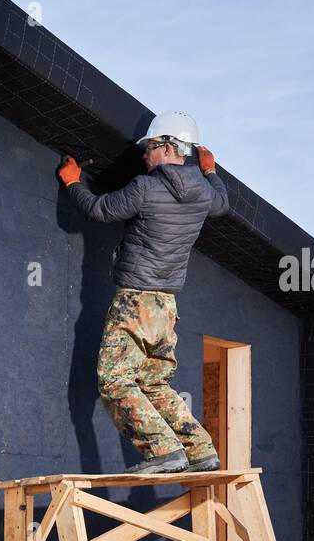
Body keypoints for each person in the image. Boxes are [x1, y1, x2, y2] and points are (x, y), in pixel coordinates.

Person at [57, 110, 230, 474]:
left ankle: (164, 451)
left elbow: (100, 210)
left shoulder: (146, 188)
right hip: (166, 306)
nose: (144, 154)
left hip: (135, 300)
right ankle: (200, 451)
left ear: (168, 147)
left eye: (150, 147)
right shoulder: (205, 195)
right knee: (153, 381)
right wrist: (211, 169)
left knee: (114, 379)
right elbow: (223, 203)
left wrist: (73, 182)